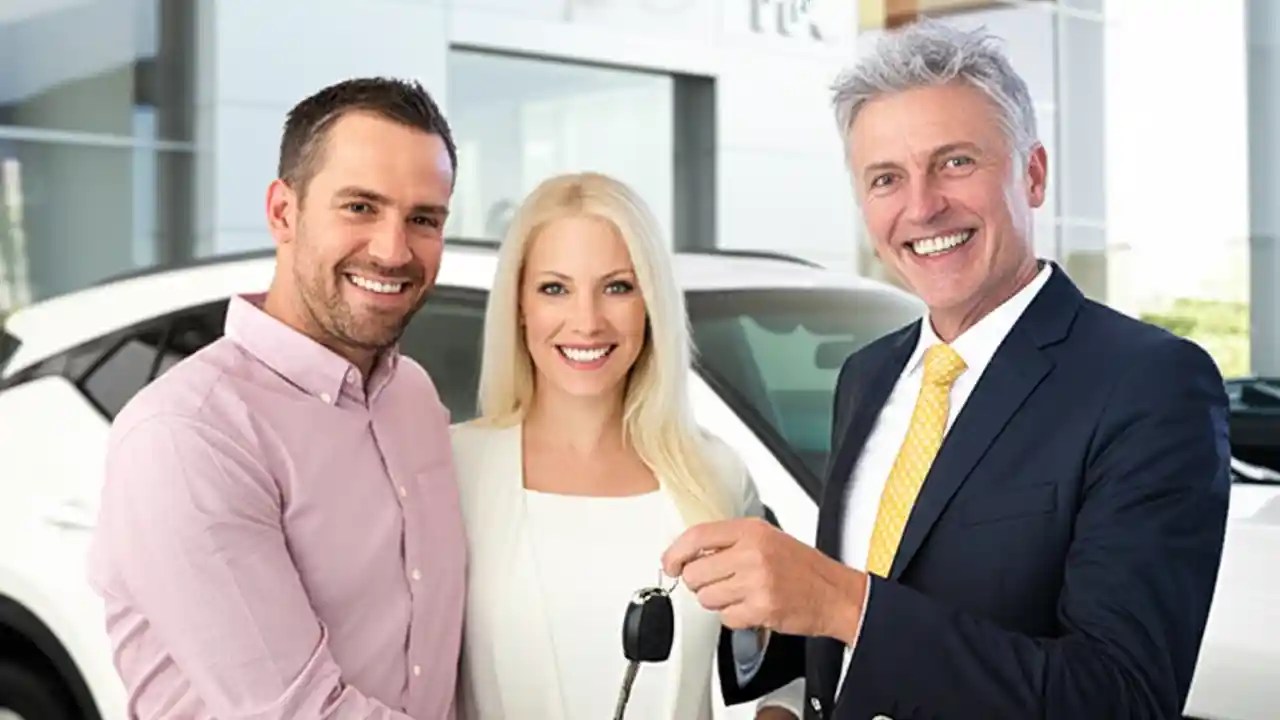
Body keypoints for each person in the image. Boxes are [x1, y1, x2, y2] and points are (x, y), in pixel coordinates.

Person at [664, 20, 1232, 720]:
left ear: (1033, 172)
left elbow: (1121, 697)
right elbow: (865, 617)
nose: (922, 205)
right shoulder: (868, 376)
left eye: (956, 162)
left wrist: (839, 601)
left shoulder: (1149, 385)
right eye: (885, 179)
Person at [88, 77, 465, 719]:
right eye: (360, 207)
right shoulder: (189, 434)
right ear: (283, 212)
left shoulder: (414, 396)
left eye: (423, 218)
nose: (393, 249)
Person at [449, 172, 804, 719]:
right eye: (555, 288)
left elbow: (786, 675)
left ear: (650, 302)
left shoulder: (714, 473)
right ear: (519, 305)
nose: (587, 321)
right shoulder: (452, 470)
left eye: (617, 286)